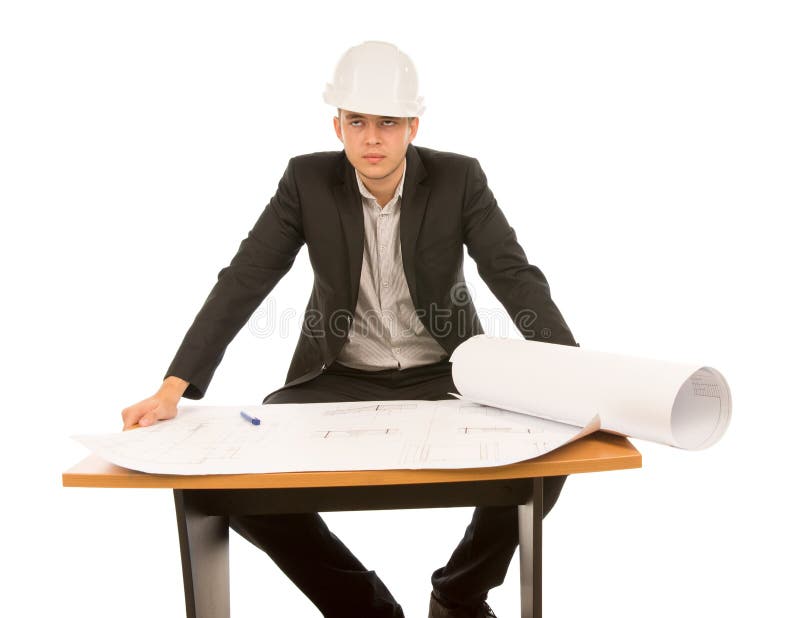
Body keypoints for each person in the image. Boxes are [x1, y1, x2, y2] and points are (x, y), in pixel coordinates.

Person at [122, 41, 578, 618]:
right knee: (229, 484)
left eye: (387, 123)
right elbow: (246, 276)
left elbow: (513, 274)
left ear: (413, 125)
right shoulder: (306, 181)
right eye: (357, 121)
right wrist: (174, 386)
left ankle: (460, 593)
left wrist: (572, 371)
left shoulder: (459, 179)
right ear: (336, 123)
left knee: (553, 455)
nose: (371, 139)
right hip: (337, 375)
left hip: (448, 371)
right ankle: (361, 606)